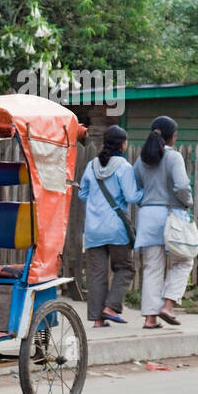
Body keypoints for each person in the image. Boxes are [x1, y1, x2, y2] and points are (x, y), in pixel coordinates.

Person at [77, 125, 142, 327]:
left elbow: (82, 193)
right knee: (125, 267)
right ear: (122, 145)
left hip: (93, 229)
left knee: (96, 274)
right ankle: (111, 307)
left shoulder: (92, 165)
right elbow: (132, 196)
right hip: (116, 229)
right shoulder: (124, 167)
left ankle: (98, 320)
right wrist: (145, 193)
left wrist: (97, 203)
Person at [132, 115, 193, 329]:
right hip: (171, 214)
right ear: (171, 137)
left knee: (152, 267)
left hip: (147, 217)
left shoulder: (141, 159)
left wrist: (146, 203)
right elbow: (182, 186)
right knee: (184, 260)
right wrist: (187, 203)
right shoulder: (174, 157)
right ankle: (168, 304)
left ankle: (150, 318)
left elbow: (137, 188)